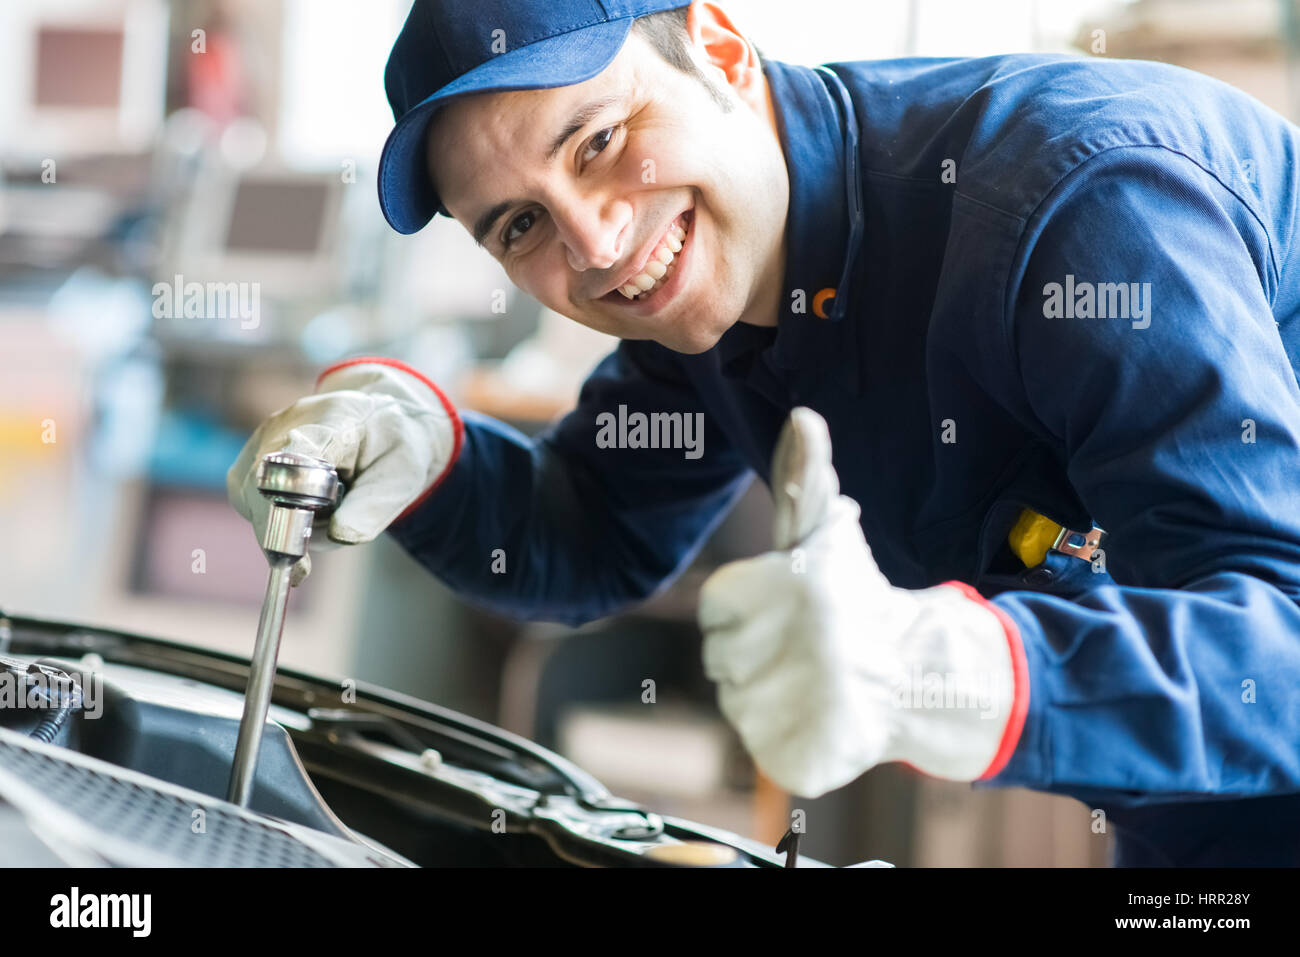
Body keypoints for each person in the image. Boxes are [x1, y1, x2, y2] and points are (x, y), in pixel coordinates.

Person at [229, 0, 1300, 865]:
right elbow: (593, 528)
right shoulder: (709, 289)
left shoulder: (1080, 205)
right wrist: (431, 451)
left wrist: (949, 673)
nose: (595, 242)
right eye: (520, 225)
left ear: (723, 50)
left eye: (600, 140)